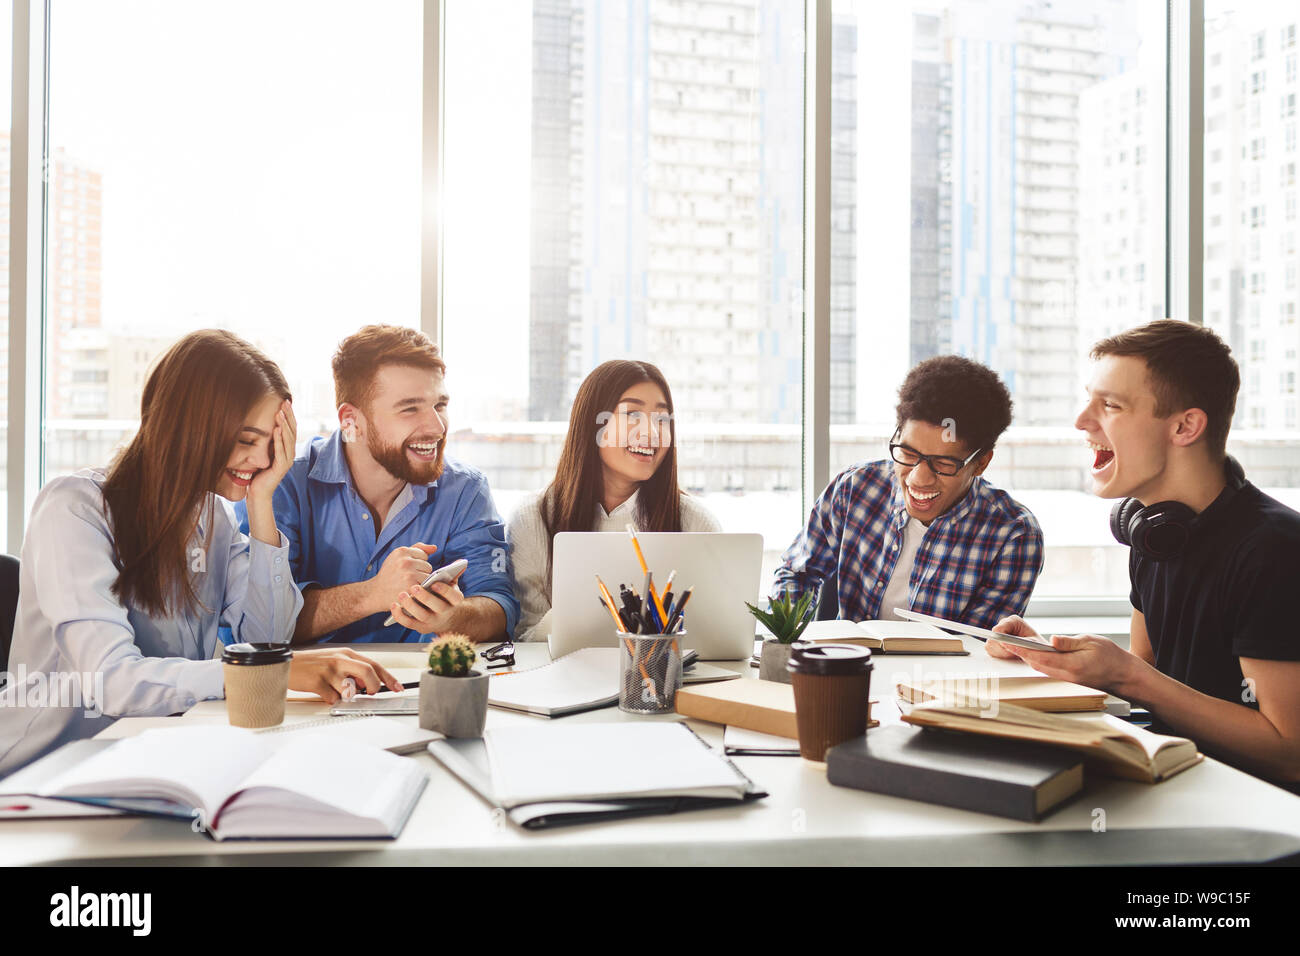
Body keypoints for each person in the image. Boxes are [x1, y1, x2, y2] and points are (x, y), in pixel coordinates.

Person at [0, 331, 402, 777]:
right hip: (41, 770)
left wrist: (261, 500)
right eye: (247, 440)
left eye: (271, 443)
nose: (261, 459)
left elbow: (269, 636)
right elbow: (111, 681)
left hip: (146, 759)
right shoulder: (75, 509)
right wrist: (270, 673)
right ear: (189, 428)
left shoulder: (214, 516)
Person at [989, 320, 1300, 791]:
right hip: (1177, 787)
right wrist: (1049, 656)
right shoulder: (1156, 533)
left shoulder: (1273, 550)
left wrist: (1131, 677)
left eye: (1110, 405)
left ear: (1185, 426)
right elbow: (1148, 679)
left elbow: (1289, 753)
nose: (1082, 421)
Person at [241, 325, 518, 644]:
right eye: (410, 408)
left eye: (439, 405)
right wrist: (372, 594)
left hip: (421, 689)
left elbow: (500, 606)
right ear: (351, 421)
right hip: (306, 691)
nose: (437, 426)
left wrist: (453, 617)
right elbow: (256, 626)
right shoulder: (282, 483)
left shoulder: (465, 490)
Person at [774, 355, 1043, 628]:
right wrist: (791, 639)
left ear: (981, 463)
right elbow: (797, 573)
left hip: (939, 672)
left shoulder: (1014, 534)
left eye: (943, 463)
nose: (918, 478)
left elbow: (976, 649)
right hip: (844, 666)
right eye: (908, 453)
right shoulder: (854, 488)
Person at [507, 360, 721, 643]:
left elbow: (716, 638)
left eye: (662, 418)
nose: (650, 433)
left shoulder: (696, 522)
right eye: (632, 414)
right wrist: (578, 614)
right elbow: (524, 638)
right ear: (592, 424)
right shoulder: (532, 519)